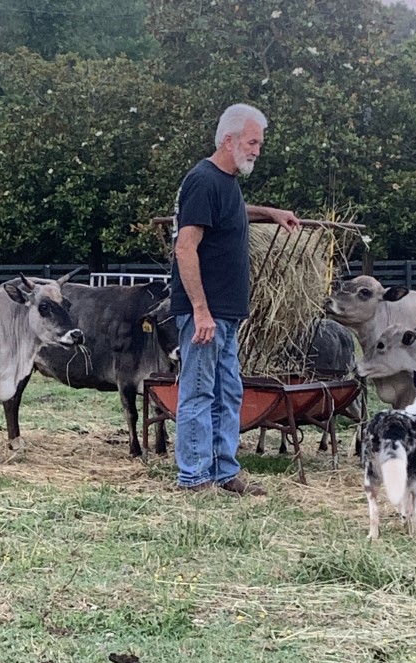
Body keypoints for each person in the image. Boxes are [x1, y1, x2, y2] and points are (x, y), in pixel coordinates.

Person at [169, 103, 300, 495]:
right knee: (197, 392)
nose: (258, 150)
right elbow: (185, 248)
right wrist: (200, 310)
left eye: (259, 142)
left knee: (228, 392)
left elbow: (228, 212)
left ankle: (224, 472)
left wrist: (269, 212)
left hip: (226, 313)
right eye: (252, 141)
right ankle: (193, 477)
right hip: (205, 314)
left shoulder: (225, 183)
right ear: (229, 140)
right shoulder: (203, 180)